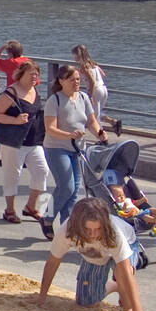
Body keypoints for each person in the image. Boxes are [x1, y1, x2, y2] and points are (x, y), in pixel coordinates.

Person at [35, 197, 155, 311]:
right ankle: (116, 286)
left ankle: (127, 309)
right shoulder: (66, 231)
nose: (92, 234)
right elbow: (52, 262)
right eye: (87, 229)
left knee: (122, 274)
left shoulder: (115, 232)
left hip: (125, 246)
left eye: (97, 229)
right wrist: (42, 295)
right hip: (94, 255)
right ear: (78, 225)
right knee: (86, 302)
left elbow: (126, 272)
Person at [43, 64, 109, 233]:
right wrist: (69, 135)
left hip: (77, 148)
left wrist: (99, 133)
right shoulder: (54, 100)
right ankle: (47, 217)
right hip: (57, 147)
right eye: (72, 80)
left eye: (78, 79)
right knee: (66, 186)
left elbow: (91, 121)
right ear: (62, 81)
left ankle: (67, 227)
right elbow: (50, 128)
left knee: (74, 191)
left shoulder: (83, 98)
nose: (76, 83)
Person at [0, 60, 50, 224]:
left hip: (33, 141)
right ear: (21, 75)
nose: (35, 77)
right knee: (12, 175)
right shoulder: (12, 92)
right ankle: (9, 210)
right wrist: (14, 120)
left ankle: (30, 206)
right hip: (13, 141)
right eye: (31, 73)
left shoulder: (35, 91)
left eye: (37, 74)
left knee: (42, 170)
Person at [72, 45, 121, 136]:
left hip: (96, 91)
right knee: (96, 112)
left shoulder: (83, 66)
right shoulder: (93, 64)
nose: (73, 57)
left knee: (94, 117)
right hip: (103, 88)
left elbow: (92, 81)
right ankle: (113, 122)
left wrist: (90, 95)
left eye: (74, 55)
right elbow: (103, 74)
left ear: (77, 55)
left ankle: (102, 136)